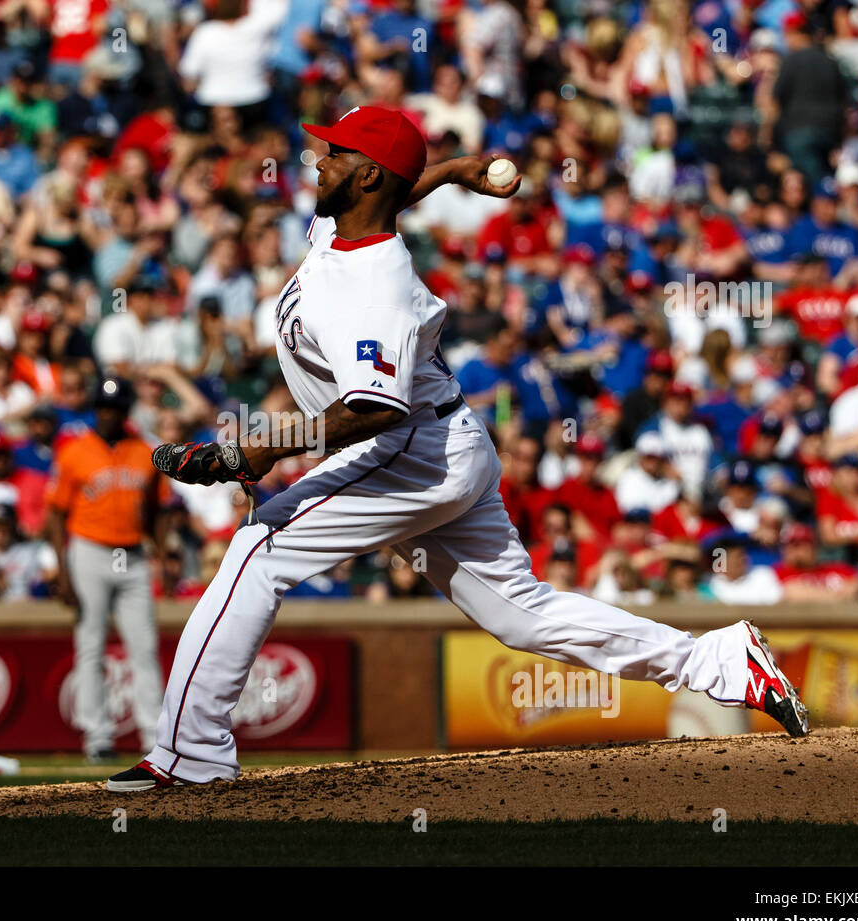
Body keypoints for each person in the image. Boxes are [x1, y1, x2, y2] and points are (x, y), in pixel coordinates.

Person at [108, 106, 807, 793]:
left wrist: (263, 448)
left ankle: (190, 753)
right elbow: (394, 187)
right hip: (445, 441)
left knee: (258, 552)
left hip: (409, 446)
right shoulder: (341, 221)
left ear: (367, 178)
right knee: (520, 613)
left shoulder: (374, 285)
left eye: (338, 154)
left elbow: (373, 408)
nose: (320, 160)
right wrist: (455, 170)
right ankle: (722, 659)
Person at [48, 376, 165, 761]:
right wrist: (63, 571)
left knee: (144, 649)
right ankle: (97, 737)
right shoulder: (74, 451)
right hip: (89, 550)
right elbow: (55, 513)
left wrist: (160, 550)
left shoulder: (145, 451)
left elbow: (157, 507)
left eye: (115, 408)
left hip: (132, 554)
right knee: (91, 646)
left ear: (126, 410)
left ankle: (153, 736)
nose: (109, 414)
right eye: (103, 407)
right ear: (95, 409)